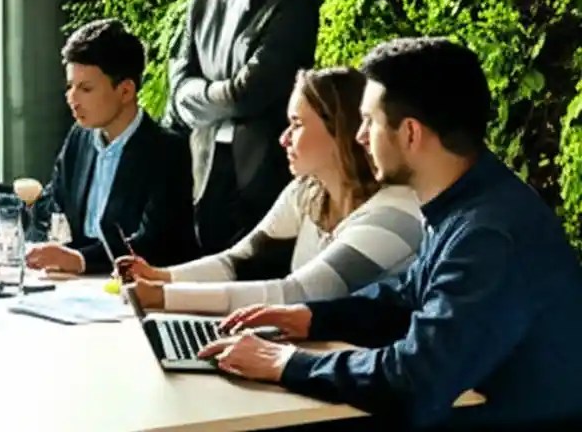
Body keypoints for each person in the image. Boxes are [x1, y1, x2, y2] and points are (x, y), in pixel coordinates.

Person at [200, 38, 582, 430]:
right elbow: (406, 296)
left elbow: (413, 379)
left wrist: (285, 363)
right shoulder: (467, 202)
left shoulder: (488, 235)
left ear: (411, 134)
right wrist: (312, 318)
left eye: (370, 121)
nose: (360, 136)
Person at [121, 67, 422, 313]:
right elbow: (238, 260)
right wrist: (163, 277)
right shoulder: (308, 191)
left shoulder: (395, 214)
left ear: (340, 129)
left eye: (297, 124)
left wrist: (165, 296)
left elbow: (302, 292)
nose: (284, 138)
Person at [166, 0, 320, 255]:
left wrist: (200, 96)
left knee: (252, 272)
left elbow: (249, 93)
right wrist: (214, 93)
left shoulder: (293, 1)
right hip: (202, 163)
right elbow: (177, 87)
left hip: (260, 170)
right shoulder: (201, 3)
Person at [22, 19, 197, 275]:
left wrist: (79, 259)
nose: (72, 99)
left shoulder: (167, 152)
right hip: (75, 284)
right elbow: (54, 206)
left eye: (86, 88)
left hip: (138, 287)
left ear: (126, 91)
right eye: (70, 86)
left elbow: (152, 244)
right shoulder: (79, 138)